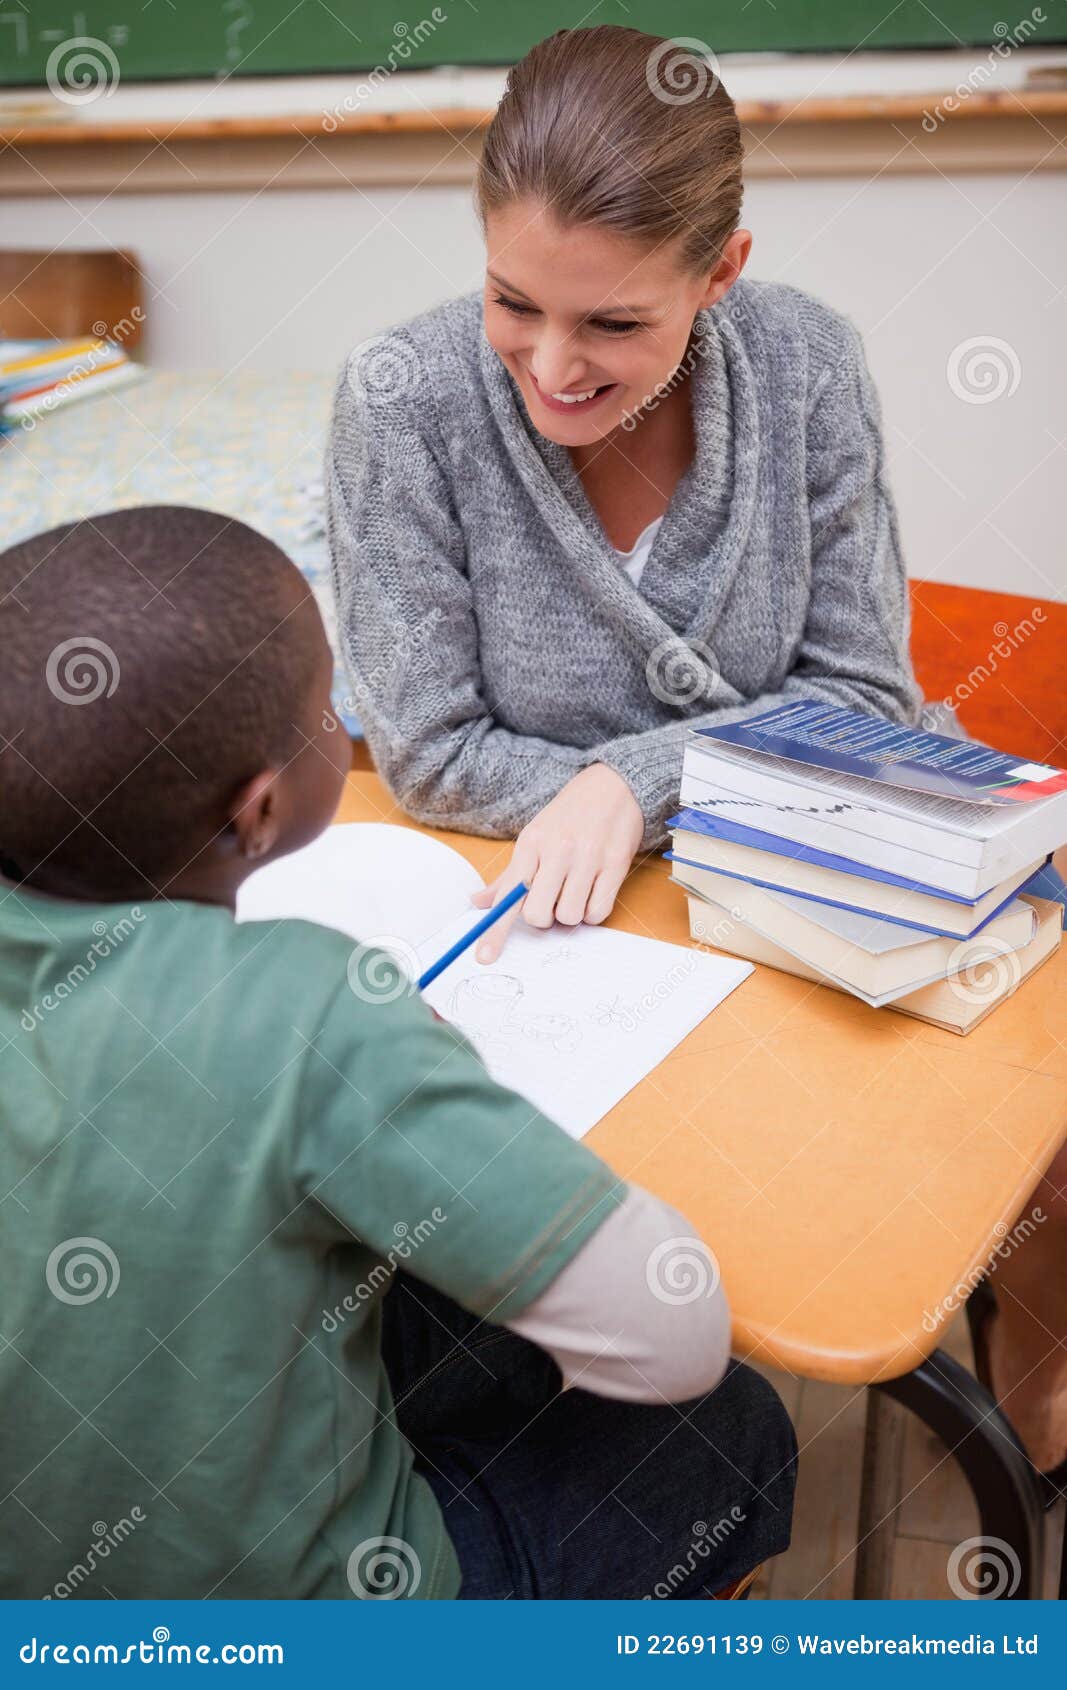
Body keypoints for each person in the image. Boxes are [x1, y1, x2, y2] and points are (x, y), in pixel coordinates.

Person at [328, 21, 1067, 1487]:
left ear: (719, 274)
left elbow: (856, 689)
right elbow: (423, 750)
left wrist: (631, 778)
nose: (551, 363)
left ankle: (1029, 1357)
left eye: (613, 325)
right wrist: (629, 789)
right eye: (510, 301)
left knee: (1017, 1084)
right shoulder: (399, 399)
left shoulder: (802, 363)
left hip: (822, 851)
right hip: (568, 931)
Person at [0, 506, 796, 1600]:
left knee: (412, 1304)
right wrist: (404, 1070)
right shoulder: (301, 1010)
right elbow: (675, 1334)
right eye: (329, 708)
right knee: (727, 1427)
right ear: (260, 810)